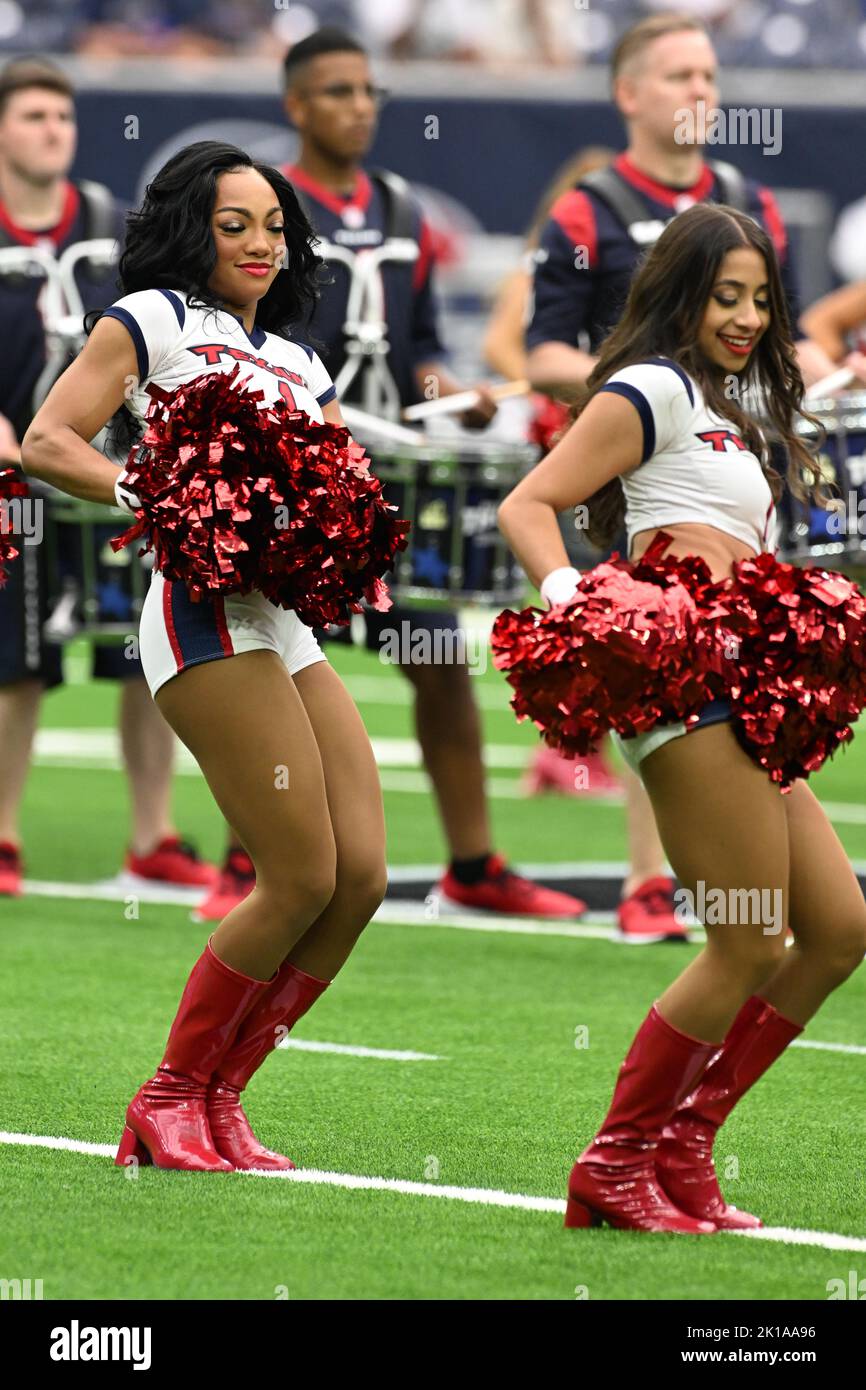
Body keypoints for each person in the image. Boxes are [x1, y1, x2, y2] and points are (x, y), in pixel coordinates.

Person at [22, 140, 390, 1172]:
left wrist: (343, 531)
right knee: (298, 871)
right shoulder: (152, 318)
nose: (260, 244)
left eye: (275, 226)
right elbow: (48, 439)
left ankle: (224, 1094)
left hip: (283, 620)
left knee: (360, 874)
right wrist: (154, 494)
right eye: (236, 225)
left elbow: (325, 486)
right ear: (193, 228)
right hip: (198, 611)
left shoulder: (301, 361)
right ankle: (168, 1091)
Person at [498, 201, 866, 1232]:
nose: (745, 315)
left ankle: (684, 1146)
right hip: (681, 686)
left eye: (758, 298)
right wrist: (577, 601)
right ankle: (612, 1164)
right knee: (745, 939)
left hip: (743, 691)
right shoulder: (648, 386)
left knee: (835, 929)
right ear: (679, 292)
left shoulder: (732, 404)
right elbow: (529, 504)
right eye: (723, 295)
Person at [190, 25, 586, 925]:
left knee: (438, 657)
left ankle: (474, 863)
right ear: (296, 105)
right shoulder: (265, 209)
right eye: (338, 92)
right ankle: (241, 859)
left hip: (389, 474)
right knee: (271, 666)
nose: (359, 108)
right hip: (294, 475)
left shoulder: (406, 209)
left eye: (370, 92)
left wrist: (457, 395)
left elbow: (420, 351)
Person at [522, 11, 818, 940]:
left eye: (710, 77)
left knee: (733, 651)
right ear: (630, 93)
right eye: (681, 76)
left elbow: (782, 337)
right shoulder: (589, 206)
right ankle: (652, 876)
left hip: (733, 453)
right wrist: (654, 397)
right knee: (664, 638)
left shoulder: (748, 199)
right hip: (639, 453)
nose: (702, 93)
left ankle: (726, 884)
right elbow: (541, 352)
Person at [0, 56, 214, 897]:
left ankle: (152, 834)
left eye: (62, 116)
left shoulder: (105, 220)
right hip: (13, 480)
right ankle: (5, 835)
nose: (52, 130)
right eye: (32, 117)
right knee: (15, 664)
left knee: (141, 653)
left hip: (107, 470)